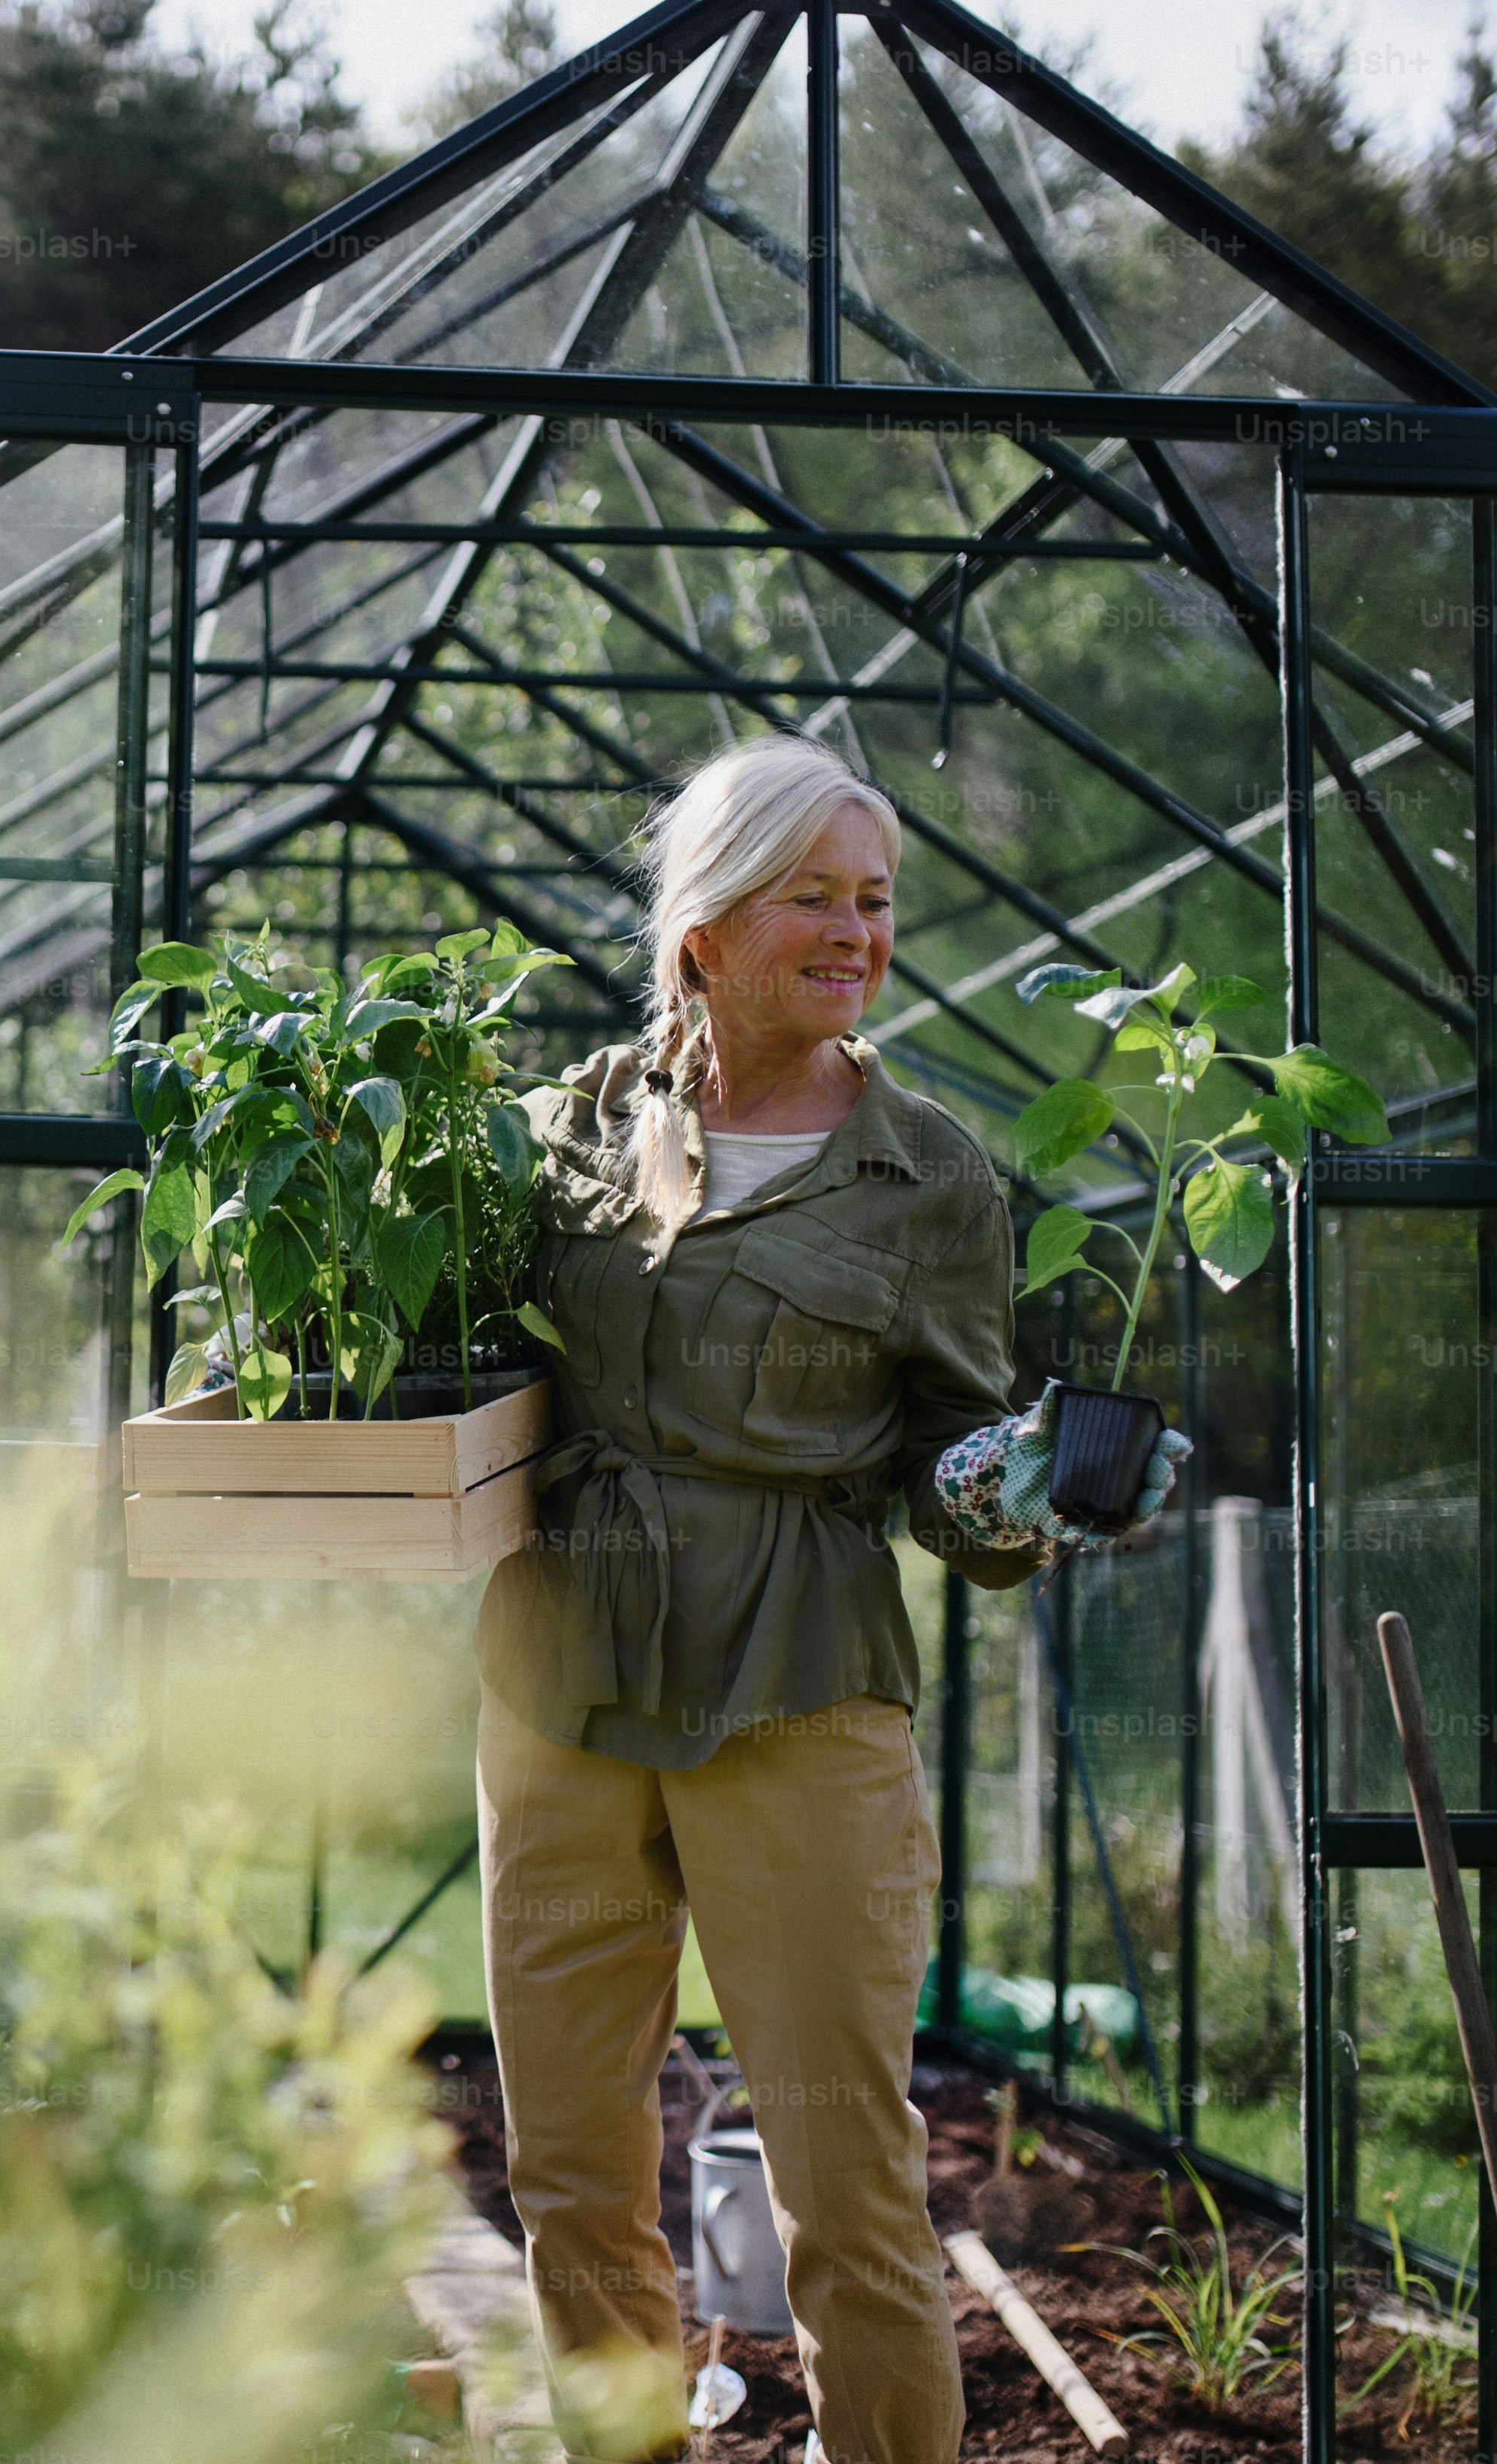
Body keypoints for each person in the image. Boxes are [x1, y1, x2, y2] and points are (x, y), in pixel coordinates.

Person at [469, 730, 1185, 2464]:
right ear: (706, 925)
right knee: (568, 2170)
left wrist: (1010, 1486)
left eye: (874, 900)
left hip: (797, 1690)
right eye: (815, 895)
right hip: (558, 1680)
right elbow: (465, 1363)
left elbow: (947, 1463)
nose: (856, 930)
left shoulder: (927, 1170)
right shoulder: (570, 1127)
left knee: (846, 2183)